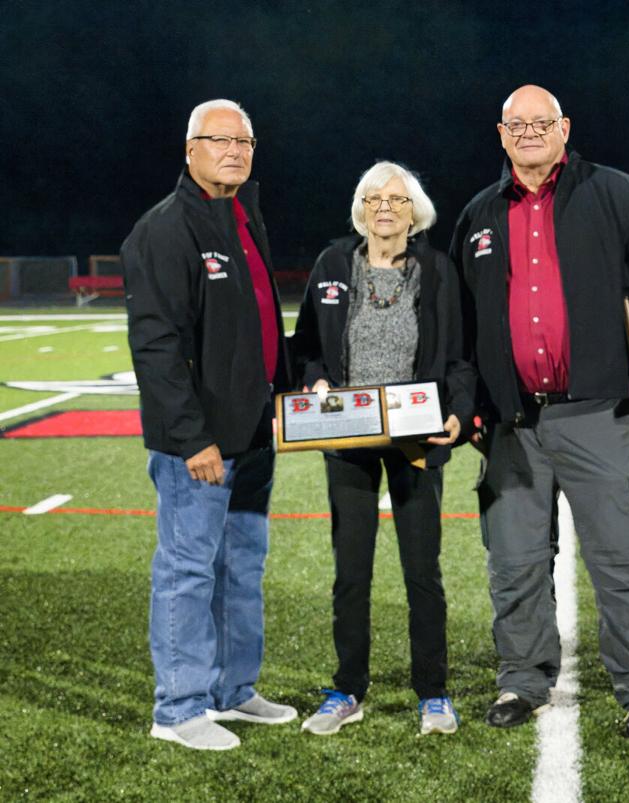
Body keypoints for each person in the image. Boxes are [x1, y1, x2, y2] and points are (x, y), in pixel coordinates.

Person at [449, 84, 629, 740]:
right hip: (510, 423)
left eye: (541, 122)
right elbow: (462, 325)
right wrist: (468, 405)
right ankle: (522, 676)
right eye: (516, 124)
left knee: (626, 555)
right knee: (514, 559)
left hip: (597, 410)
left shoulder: (614, 193)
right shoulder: (478, 215)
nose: (529, 133)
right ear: (500, 134)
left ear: (564, 127)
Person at [122, 99, 295, 750]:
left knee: (241, 566)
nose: (233, 150)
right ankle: (179, 707)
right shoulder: (165, 229)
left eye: (244, 140)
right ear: (188, 148)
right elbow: (157, 346)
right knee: (189, 569)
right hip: (201, 442)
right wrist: (192, 436)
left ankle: (231, 690)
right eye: (218, 139)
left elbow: (255, 324)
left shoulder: (243, 216)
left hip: (253, 434)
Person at [289, 161, 474, 737]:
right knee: (351, 572)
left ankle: (433, 693)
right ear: (361, 208)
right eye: (374, 198)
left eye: (396, 199)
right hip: (348, 437)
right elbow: (308, 347)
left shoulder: (439, 270)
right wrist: (315, 381)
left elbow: (461, 356)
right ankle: (348, 688)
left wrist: (461, 414)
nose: (385, 208)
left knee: (422, 570)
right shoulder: (331, 264)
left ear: (414, 210)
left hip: (415, 437)